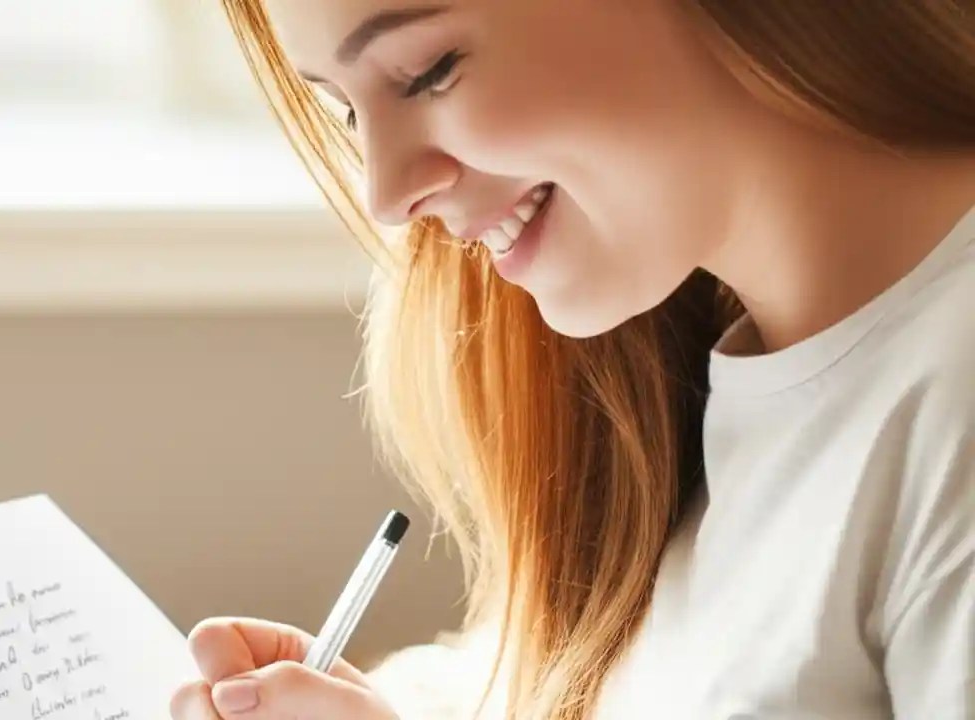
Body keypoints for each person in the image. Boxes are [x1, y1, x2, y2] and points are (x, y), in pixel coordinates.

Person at [171, 2, 975, 718]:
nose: (387, 197)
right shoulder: (699, 397)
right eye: (347, 110)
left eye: (429, 71)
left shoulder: (949, 415)